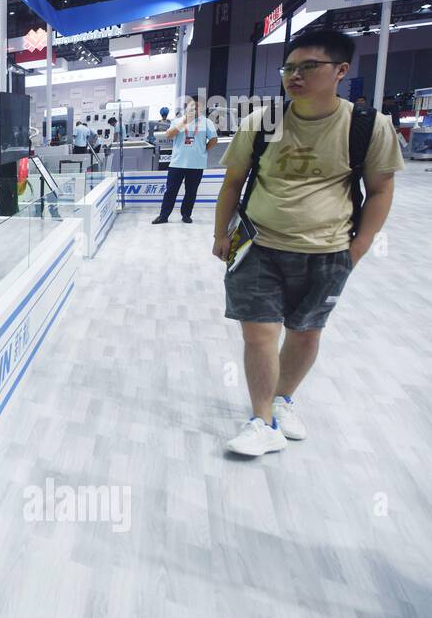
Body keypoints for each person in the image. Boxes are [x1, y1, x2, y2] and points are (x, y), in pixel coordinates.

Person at [213, 29, 404, 457]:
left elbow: (380, 189)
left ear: (340, 71)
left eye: (308, 67)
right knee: (260, 333)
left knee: (305, 333)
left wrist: (360, 246)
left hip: (328, 251)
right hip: (257, 246)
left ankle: (283, 400)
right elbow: (232, 182)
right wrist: (220, 233)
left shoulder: (367, 127)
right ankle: (261, 419)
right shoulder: (261, 122)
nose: (294, 76)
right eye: (289, 68)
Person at [153, 96, 218, 224]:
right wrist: (185, 121)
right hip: (177, 163)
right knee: (170, 191)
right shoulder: (177, 121)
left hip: (197, 164)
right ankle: (164, 215)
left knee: (191, 192)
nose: (195, 109)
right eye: (192, 106)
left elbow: (214, 139)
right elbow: (169, 135)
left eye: (198, 107)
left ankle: (186, 215)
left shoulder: (206, 122)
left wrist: (203, 150)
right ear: (187, 107)